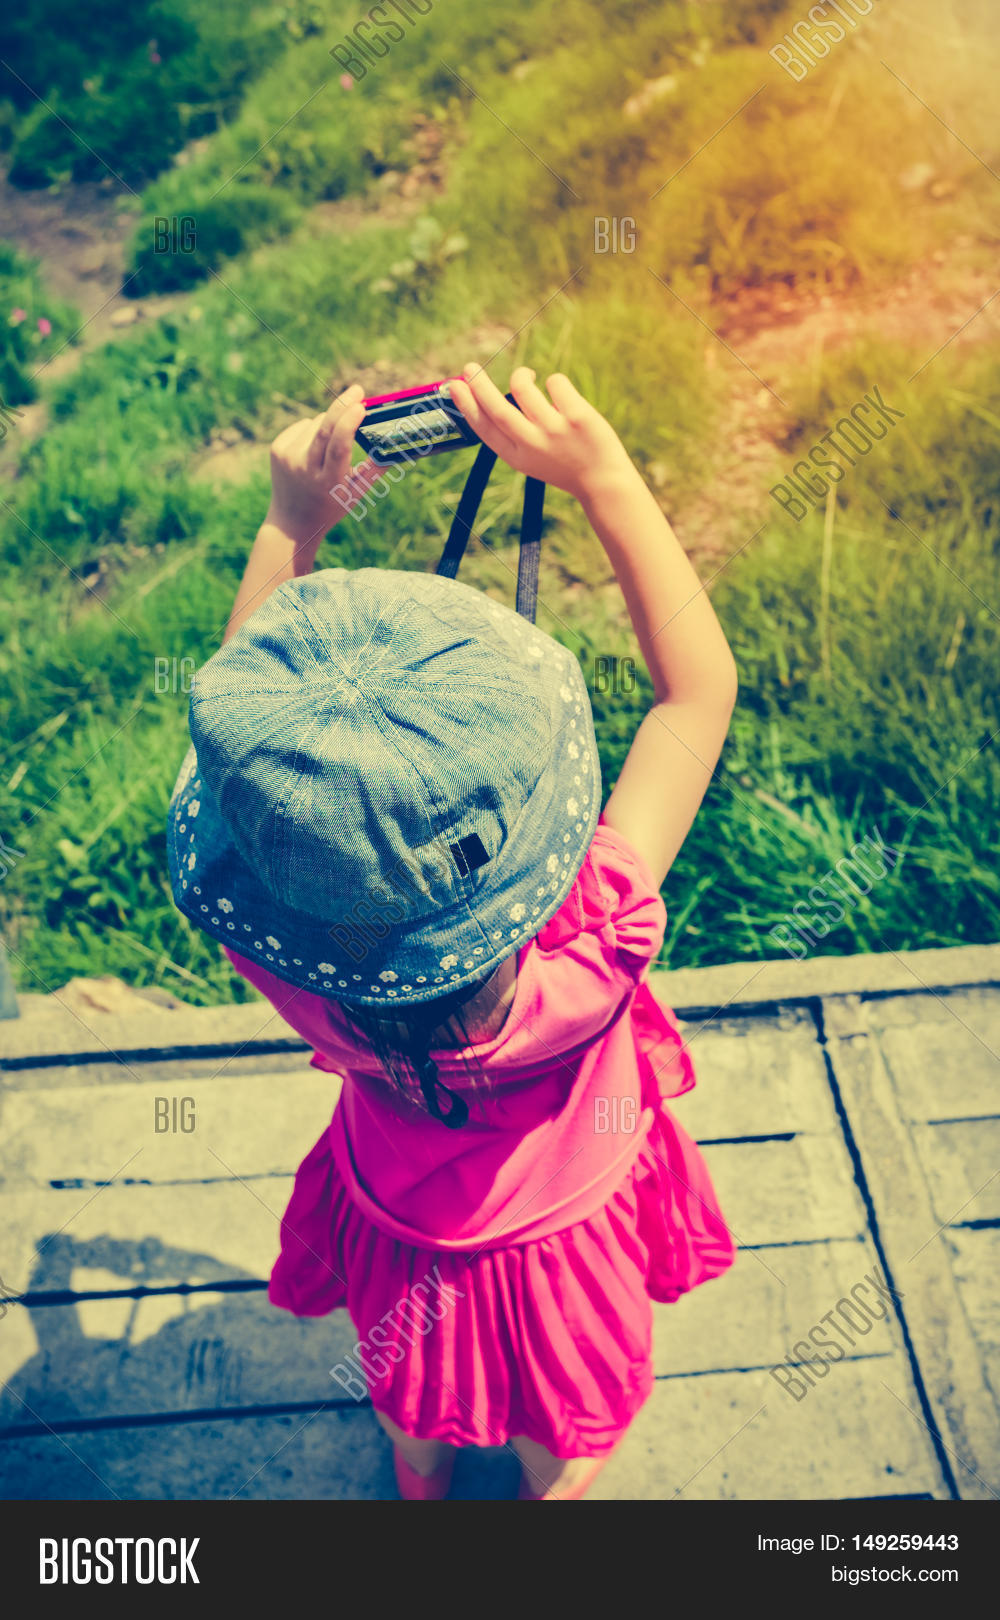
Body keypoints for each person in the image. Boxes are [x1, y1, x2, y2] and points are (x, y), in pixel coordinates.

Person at [166, 362, 739, 1500]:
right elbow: (697, 692)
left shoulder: (291, 958)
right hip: (568, 1215)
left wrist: (290, 523)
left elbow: (237, 789)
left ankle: (420, 1478)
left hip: (400, 1212)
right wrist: (604, 477)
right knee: (561, 1423)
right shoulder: (600, 924)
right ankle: (551, 1492)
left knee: (410, 1379)